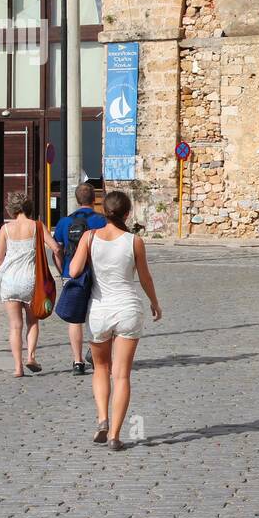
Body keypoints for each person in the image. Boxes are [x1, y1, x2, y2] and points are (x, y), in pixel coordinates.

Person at [67, 190, 162, 451]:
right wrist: (155, 303)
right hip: (128, 310)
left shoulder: (90, 237)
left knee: (100, 369)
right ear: (128, 213)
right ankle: (116, 436)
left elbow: (74, 271)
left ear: (104, 211)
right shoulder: (135, 241)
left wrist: (83, 249)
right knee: (121, 375)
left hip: (99, 312)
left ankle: (102, 420)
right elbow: (145, 278)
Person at [0, 192, 61, 378]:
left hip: (10, 281)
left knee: (15, 326)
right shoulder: (37, 226)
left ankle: (17, 368)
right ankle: (31, 356)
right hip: (31, 281)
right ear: (29, 208)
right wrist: (60, 266)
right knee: (32, 321)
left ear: (12, 209)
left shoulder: (5, 229)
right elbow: (55, 247)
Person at [54, 182, 108, 376]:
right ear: (94, 199)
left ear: (77, 200)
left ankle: (77, 361)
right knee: (97, 314)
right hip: (96, 274)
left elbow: (58, 250)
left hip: (72, 274)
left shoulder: (64, 223)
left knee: (75, 320)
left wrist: (63, 270)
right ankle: (95, 353)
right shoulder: (102, 221)